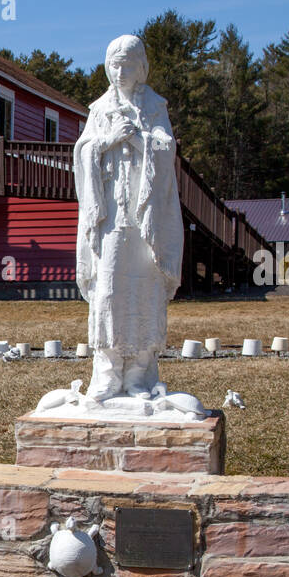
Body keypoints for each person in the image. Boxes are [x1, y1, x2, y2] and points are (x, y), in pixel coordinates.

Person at [74, 34, 183, 401]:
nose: (120, 72)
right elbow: (83, 150)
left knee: (144, 290)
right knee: (109, 291)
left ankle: (139, 374)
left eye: (128, 65)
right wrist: (106, 140)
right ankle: (107, 373)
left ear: (142, 68)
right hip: (111, 218)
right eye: (114, 65)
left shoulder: (154, 107)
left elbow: (167, 151)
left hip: (144, 218)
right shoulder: (99, 109)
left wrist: (137, 140)